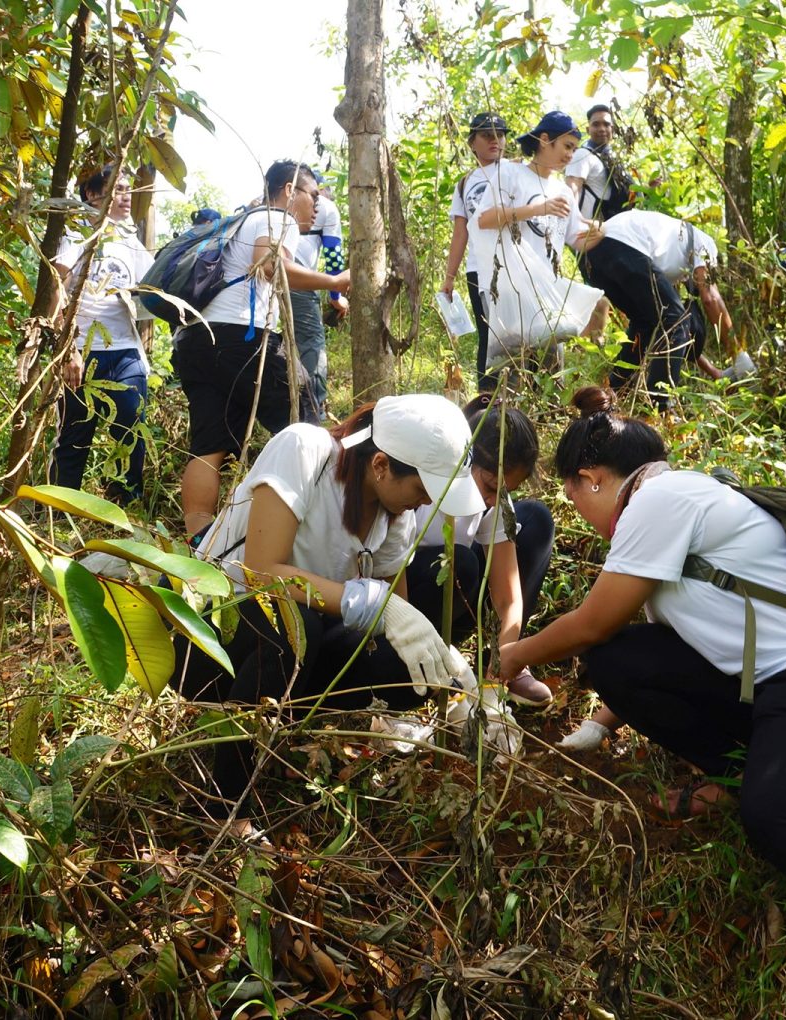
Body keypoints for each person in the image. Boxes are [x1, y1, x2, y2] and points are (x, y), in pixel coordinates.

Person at [497, 386, 786, 1013]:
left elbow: (591, 622)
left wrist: (508, 658)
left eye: (574, 497)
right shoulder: (678, 497)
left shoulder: (659, 500)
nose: (581, 512)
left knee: (778, 819)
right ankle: (733, 773)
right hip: (770, 686)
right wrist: (604, 722)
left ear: (590, 479)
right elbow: (656, 648)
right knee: (613, 663)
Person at [177, 394, 486, 809]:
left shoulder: (395, 512)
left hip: (299, 646)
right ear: (380, 465)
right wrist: (372, 602)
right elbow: (262, 574)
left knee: (418, 641)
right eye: (422, 487)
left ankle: (290, 723)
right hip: (214, 635)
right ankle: (226, 804)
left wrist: (449, 670)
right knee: (295, 620)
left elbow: (400, 611)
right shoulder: (304, 451)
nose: (426, 501)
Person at [173, 160, 351, 537]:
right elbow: (270, 267)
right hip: (242, 338)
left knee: (210, 444)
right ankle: (321, 529)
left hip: (195, 340)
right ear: (289, 191)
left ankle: (199, 542)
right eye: (313, 195)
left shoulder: (239, 220)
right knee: (307, 425)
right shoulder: (276, 219)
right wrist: (335, 281)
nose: (316, 206)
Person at [403, 394, 555, 705]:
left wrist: (495, 677)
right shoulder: (423, 488)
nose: (492, 499)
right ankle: (420, 665)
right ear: (464, 459)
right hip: (407, 598)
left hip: (457, 601)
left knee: (535, 520)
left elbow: (507, 597)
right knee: (462, 563)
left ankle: (503, 664)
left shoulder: (494, 502)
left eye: (505, 492)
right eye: (488, 486)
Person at [49, 165, 156, 504]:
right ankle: (61, 508)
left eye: (128, 188)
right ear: (93, 195)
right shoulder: (77, 235)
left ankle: (124, 502)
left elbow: (153, 289)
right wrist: (68, 350)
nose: (127, 196)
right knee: (75, 435)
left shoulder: (129, 239)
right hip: (83, 350)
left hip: (125, 351)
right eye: (118, 189)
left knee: (131, 425)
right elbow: (56, 290)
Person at [470, 110, 607, 373]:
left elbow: (576, 240)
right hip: (511, 290)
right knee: (510, 373)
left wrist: (600, 233)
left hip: (547, 293)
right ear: (545, 139)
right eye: (567, 146)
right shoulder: (511, 174)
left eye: (575, 149)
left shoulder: (564, 191)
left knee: (551, 376)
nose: (570, 155)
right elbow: (485, 219)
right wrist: (537, 209)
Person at [571, 208, 727, 408]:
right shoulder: (706, 243)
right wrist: (738, 353)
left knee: (644, 323)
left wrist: (714, 372)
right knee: (675, 320)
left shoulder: (674, 263)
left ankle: (609, 398)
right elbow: (709, 299)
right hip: (622, 245)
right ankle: (659, 407)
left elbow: (676, 335)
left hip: (591, 255)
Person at [441, 112, 510, 391]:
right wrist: (449, 276)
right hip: (478, 269)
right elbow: (461, 232)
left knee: (520, 333)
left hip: (513, 264)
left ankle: (525, 397)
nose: (494, 140)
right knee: (489, 334)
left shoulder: (515, 171)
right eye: (486, 135)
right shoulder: (465, 182)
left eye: (500, 134)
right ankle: (487, 400)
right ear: (472, 143)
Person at [290, 175, 348, 418]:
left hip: (261, 282)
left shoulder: (270, 200)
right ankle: (314, 413)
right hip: (298, 281)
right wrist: (335, 295)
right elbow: (333, 254)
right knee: (312, 345)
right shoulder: (327, 207)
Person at [566, 104, 635, 223]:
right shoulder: (583, 155)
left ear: (612, 130)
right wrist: (576, 224)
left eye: (606, 124)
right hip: (590, 232)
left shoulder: (613, 159)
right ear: (588, 130)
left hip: (613, 229)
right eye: (596, 124)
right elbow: (571, 190)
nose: (602, 129)